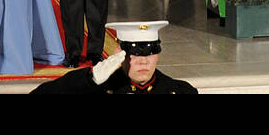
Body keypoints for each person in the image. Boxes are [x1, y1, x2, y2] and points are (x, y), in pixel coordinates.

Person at [31, 20, 196, 94]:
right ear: (119, 53)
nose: (143, 61)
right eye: (134, 54)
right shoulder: (100, 88)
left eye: (150, 53)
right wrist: (90, 78)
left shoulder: (180, 91)